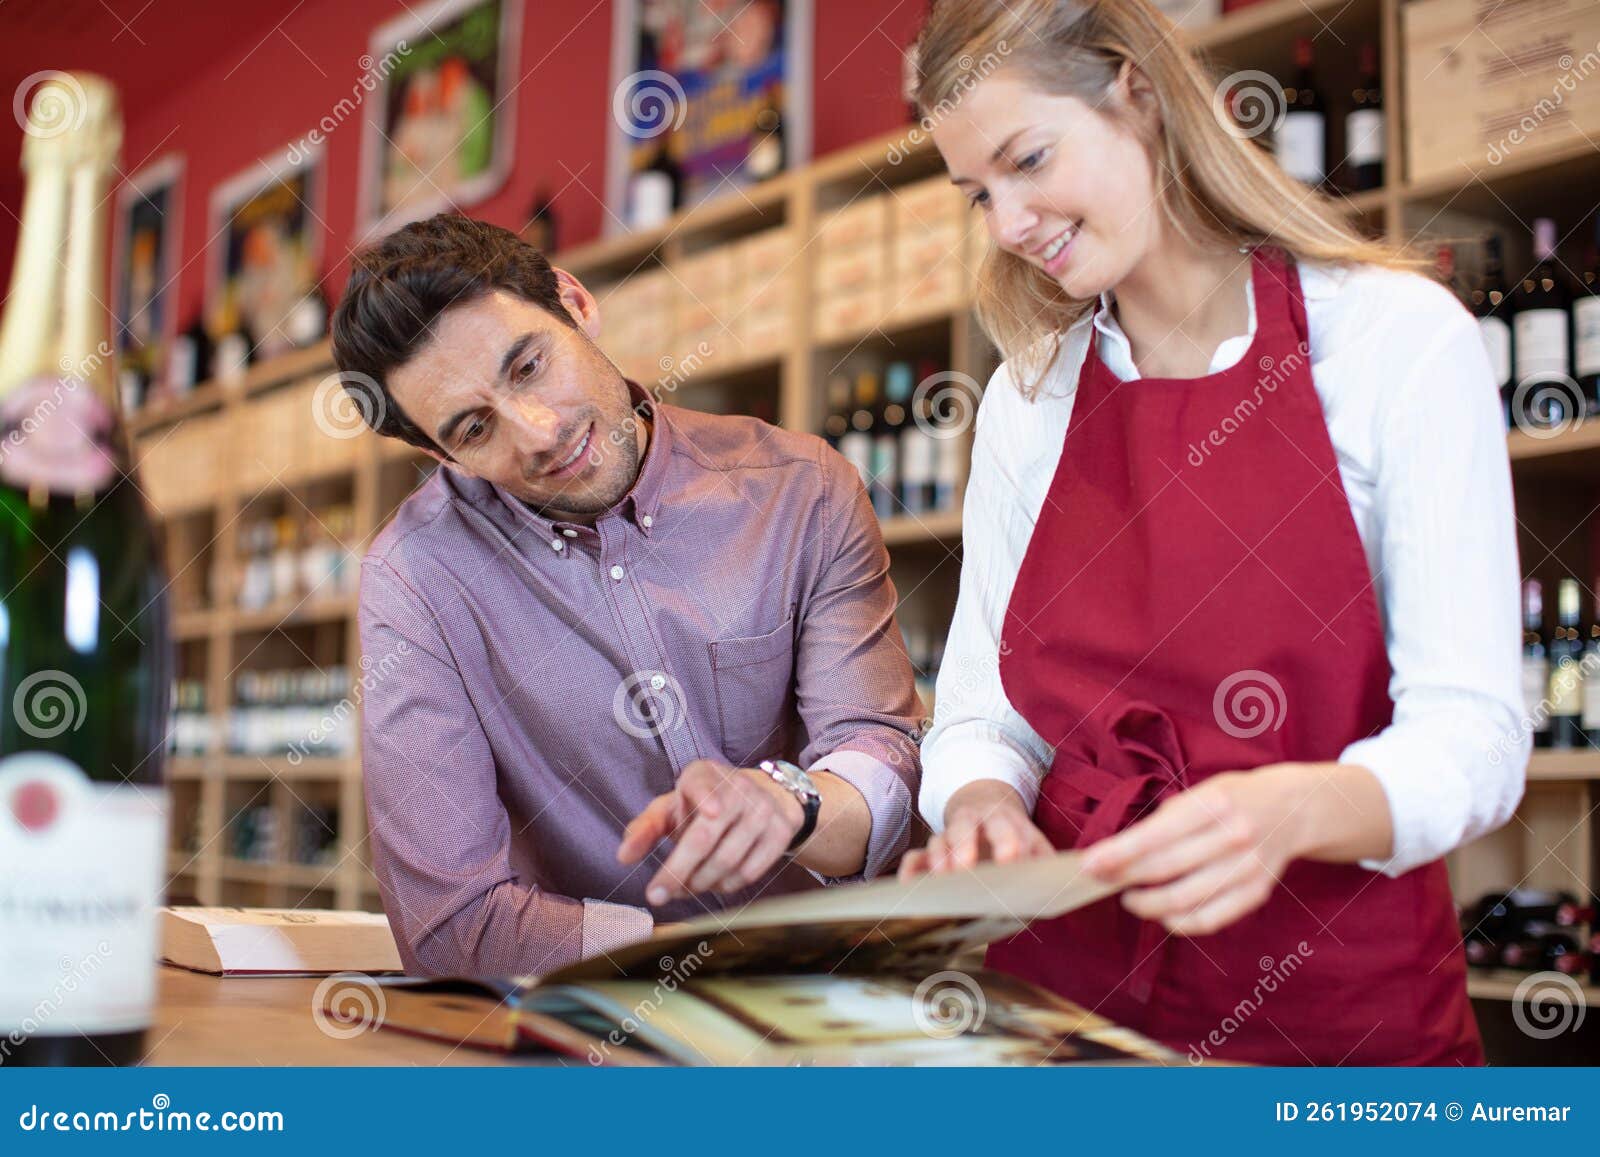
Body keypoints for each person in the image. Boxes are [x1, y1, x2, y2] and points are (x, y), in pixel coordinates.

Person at [899, 0, 1525, 1065]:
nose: (1006, 224)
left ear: (1134, 90)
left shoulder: (1393, 341)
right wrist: (981, 807)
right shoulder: (1029, 394)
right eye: (977, 194)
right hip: (1070, 1011)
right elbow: (981, 712)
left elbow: (1475, 737)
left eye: (1028, 159)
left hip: (1336, 1012)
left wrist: (1295, 809)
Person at [331, 214, 922, 978]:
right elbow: (450, 919)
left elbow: (883, 764)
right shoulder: (414, 578)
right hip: (594, 1042)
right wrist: (688, 967)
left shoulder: (802, 489)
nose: (538, 433)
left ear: (575, 304)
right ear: (440, 453)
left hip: (835, 1006)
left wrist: (792, 803)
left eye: (529, 367)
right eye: (477, 428)